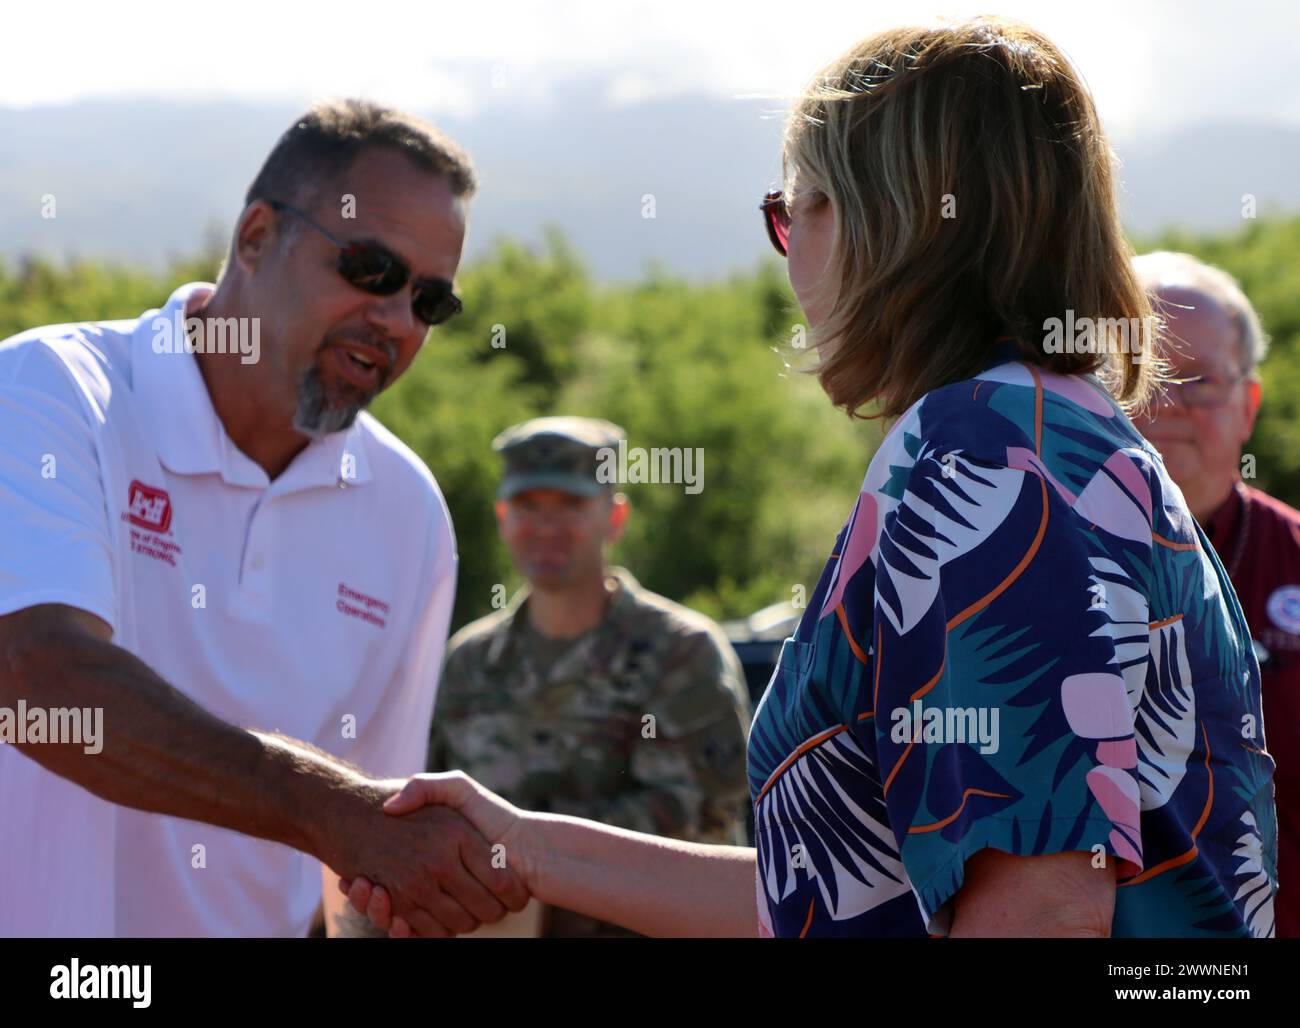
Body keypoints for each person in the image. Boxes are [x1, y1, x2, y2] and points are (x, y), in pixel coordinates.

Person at [345, 16, 1277, 938]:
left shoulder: (987, 454)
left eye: (796, 210)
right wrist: (526, 849)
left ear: (898, 215)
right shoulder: (1058, 428)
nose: (788, 256)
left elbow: (1044, 906)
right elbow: (833, 897)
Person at [0, 99, 526, 937]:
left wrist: (353, 830)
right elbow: (34, 683)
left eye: (430, 301)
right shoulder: (52, 393)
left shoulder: (408, 513)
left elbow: (354, 874)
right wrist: (331, 809)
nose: (394, 320)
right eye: (370, 268)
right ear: (254, 237)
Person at [427, 416, 753, 936]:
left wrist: (518, 848)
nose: (547, 527)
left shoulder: (680, 652)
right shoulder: (469, 662)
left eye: (572, 506)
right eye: (529, 507)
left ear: (615, 517)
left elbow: (700, 821)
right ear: (502, 516)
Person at [1131, 251, 1296, 937]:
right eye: (1140, 377)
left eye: (1196, 379)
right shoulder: (1026, 569)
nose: (1166, 403)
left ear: (1248, 405)